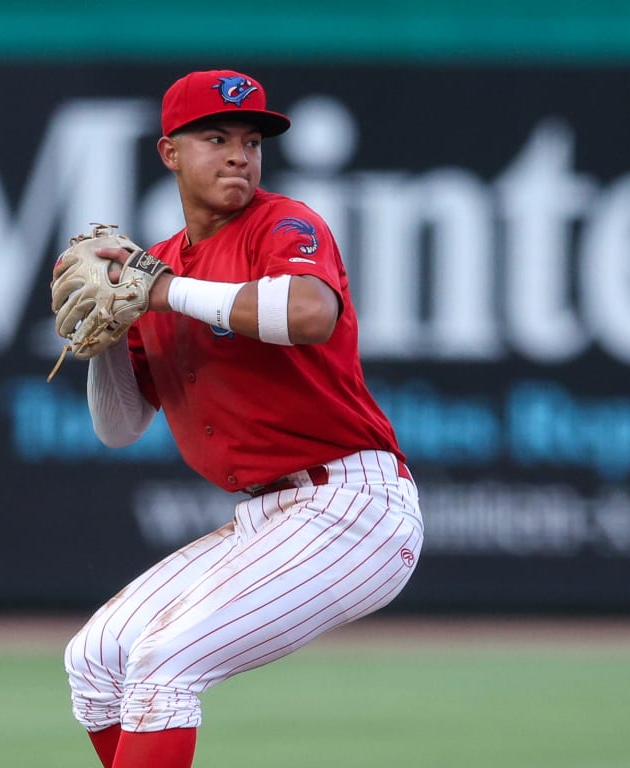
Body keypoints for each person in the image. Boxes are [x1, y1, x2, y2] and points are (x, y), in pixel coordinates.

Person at [62, 69, 423, 768]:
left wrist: (164, 292)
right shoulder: (155, 269)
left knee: (164, 663)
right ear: (170, 152)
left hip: (355, 509)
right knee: (96, 660)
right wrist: (103, 337)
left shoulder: (281, 224)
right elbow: (120, 428)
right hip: (267, 517)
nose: (238, 155)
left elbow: (311, 314)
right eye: (216, 138)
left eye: (251, 141)